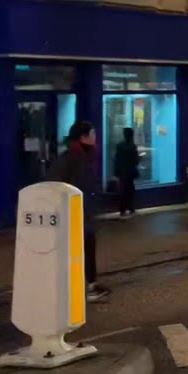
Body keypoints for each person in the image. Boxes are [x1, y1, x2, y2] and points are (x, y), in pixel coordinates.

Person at [48, 120, 109, 302]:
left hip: (85, 213)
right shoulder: (70, 158)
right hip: (73, 215)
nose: (95, 137)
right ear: (83, 137)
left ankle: (91, 285)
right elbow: (55, 184)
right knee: (74, 253)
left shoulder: (86, 156)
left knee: (88, 250)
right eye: (92, 134)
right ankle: (75, 291)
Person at [113, 127, 140, 218]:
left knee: (123, 190)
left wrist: (116, 171)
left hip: (122, 172)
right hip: (130, 172)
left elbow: (117, 159)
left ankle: (122, 209)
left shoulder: (119, 146)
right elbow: (136, 160)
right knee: (130, 190)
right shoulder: (133, 146)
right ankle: (131, 208)